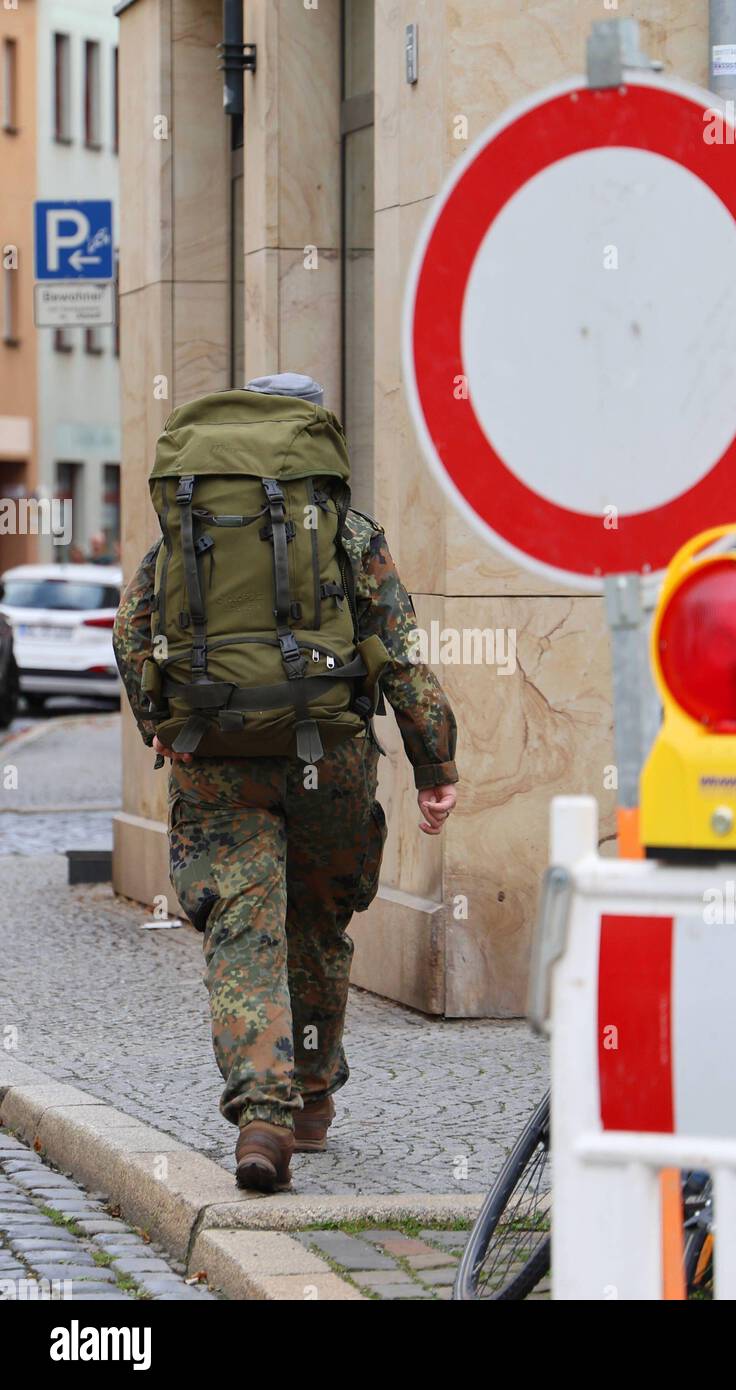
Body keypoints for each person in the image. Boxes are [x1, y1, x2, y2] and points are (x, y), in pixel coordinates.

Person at [113, 372, 459, 1192]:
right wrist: (432, 764)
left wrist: (165, 729)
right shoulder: (345, 528)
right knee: (317, 922)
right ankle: (307, 1097)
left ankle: (259, 1118)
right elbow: (398, 651)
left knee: (244, 927)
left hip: (218, 753)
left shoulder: (190, 522)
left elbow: (133, 632)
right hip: (327, 759)